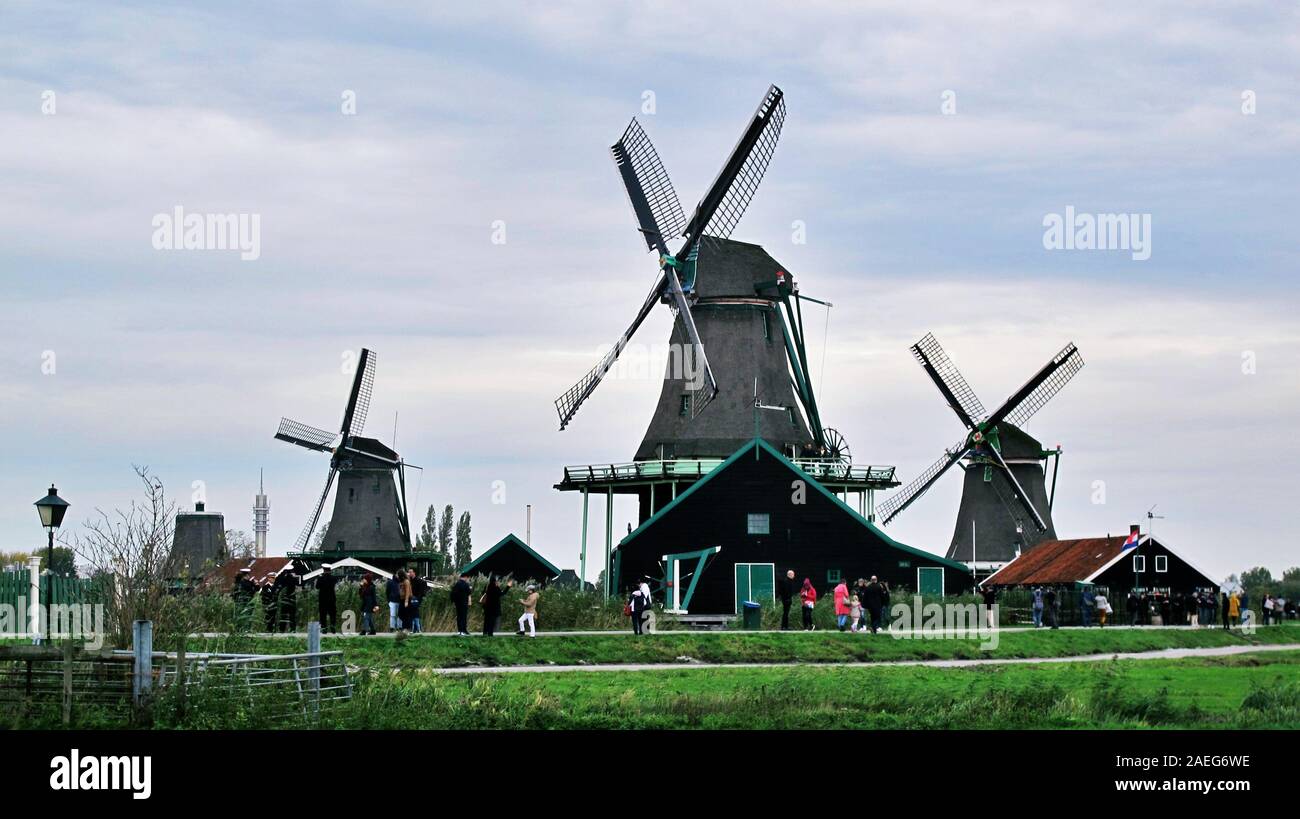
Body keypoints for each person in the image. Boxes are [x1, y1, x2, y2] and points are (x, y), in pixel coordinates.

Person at [316, 565, 339, 634]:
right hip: (331, 599)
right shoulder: (333, 578)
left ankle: (324, 629)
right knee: (332, 614)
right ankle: (333, 628)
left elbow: (317, 587)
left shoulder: (320, 578)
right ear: (330, 570)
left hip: (323, 599)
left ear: (324, 570)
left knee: (323, 615)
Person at [407, 569, 426, 633]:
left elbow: (421, 591)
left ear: (414, 573)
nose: (409, 573)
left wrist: (418, 599)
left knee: (415, 613)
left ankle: (417, 628)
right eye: (408, 572)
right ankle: (416, 629)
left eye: (410, 572)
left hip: (416, 599)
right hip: (411, 599)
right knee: (413, 613)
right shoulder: (409, 581)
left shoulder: (418, 581)